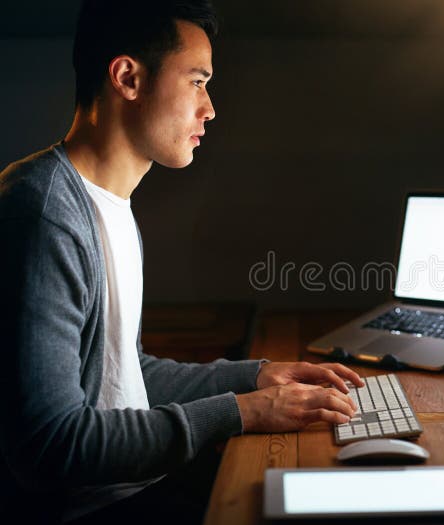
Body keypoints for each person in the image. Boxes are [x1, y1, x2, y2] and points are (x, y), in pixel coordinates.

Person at [0, 1, 364, 523]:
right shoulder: (42, 212)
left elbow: (122, 376)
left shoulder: (110, 205)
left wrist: (257, 378)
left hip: (134, 489)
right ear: (128, 77)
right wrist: (242, 412)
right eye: (197, 81)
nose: (210, 107)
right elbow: (51, 444)